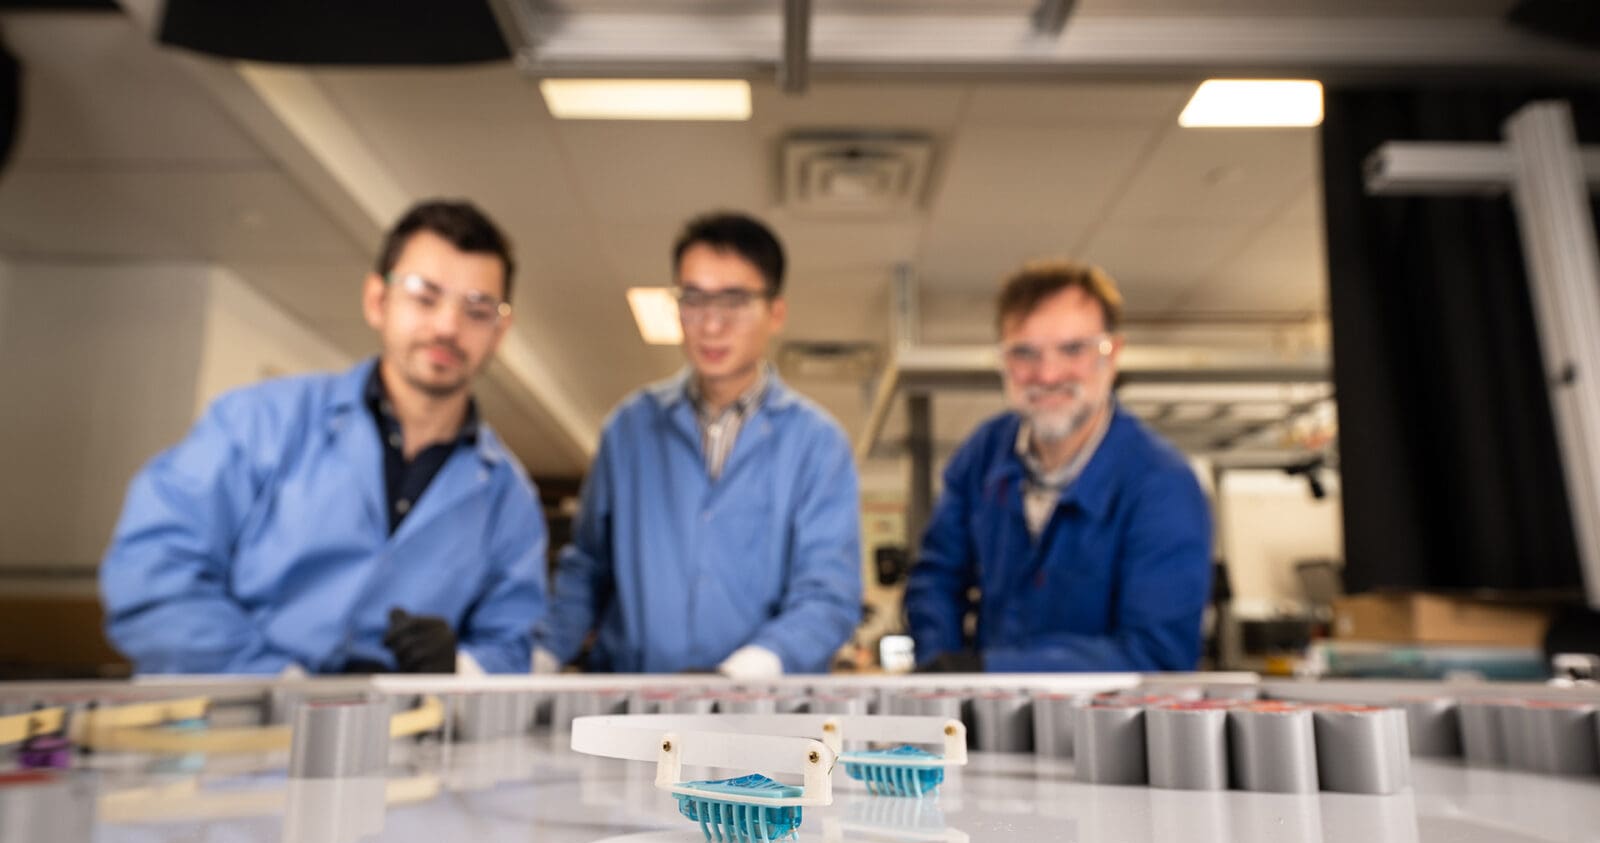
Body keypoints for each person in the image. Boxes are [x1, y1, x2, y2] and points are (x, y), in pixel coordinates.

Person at [100, 200, 546, 674]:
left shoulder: (509, 498)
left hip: (397, 741)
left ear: (500, 331)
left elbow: (515, 644)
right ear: (378, 300)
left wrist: (458, 668)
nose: (447, 326)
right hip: (220, 727)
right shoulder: (256, 423)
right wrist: (277, 684)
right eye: (424, 295)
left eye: (478, 309)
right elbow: (151, 577)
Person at [535, 212, 861, 677]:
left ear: (776, 312)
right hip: (633, 709)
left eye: (734, 301)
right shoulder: (628, 429)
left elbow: (829, 595)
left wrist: (738, 677)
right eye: (693, 299)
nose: (710, 325)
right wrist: (538, 658)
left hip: (766, 719)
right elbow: (586, 570)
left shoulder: (817, 444)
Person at [904, 260, 1211, 672]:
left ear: (1113, 354)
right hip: (983, 717)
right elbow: (936, 578)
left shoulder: (1163, 483)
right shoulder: (982, 453)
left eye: (1072, 350)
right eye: (1024, 353)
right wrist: (939, 670)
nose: (1047, 374)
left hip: (1106, 730)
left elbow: (1157, 654)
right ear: (1003, 360)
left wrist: (990, 671)